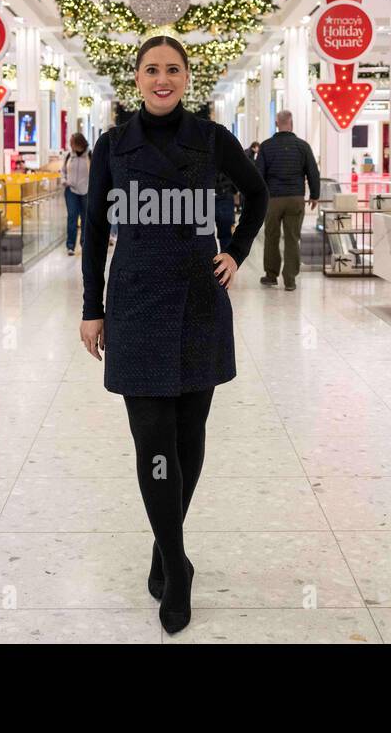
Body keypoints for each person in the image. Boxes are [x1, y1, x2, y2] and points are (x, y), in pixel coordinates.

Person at [80, 36, 268, 634]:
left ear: (187, 77)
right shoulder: (113, 146)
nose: (163, 79)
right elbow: (91, 232)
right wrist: (92, 307)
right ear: (136, 78)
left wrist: (236, 251)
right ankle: (178, 567)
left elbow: (258, 193)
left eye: (174, 70)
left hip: (196, 298)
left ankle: (166, 549)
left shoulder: (212, 140)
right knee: (153, 441)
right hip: (134, 300)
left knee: (189, 434)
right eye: (152, 70)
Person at [256, 110, 320, 291]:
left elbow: (258, 175)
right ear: (291, 124)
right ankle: (290, 279)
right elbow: (313, 173)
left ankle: (271, 275)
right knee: (292, 238)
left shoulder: (266, 146)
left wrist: (257, 199)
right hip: (296, 198)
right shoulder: (303, 146)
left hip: (273, 199)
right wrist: (314, 195)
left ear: (277, 124)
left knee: (271, 237)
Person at [63, 131, 91, 255]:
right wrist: (64, 180)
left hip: (86, 191)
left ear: (79, 143)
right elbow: (63, 170)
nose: (70, 145)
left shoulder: (90, 155)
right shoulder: (69, 155)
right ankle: (70, 245)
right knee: (72, 218)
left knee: (85, 218)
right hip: (71, 190)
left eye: (72, 142)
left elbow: (96, 173)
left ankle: (85, 243)